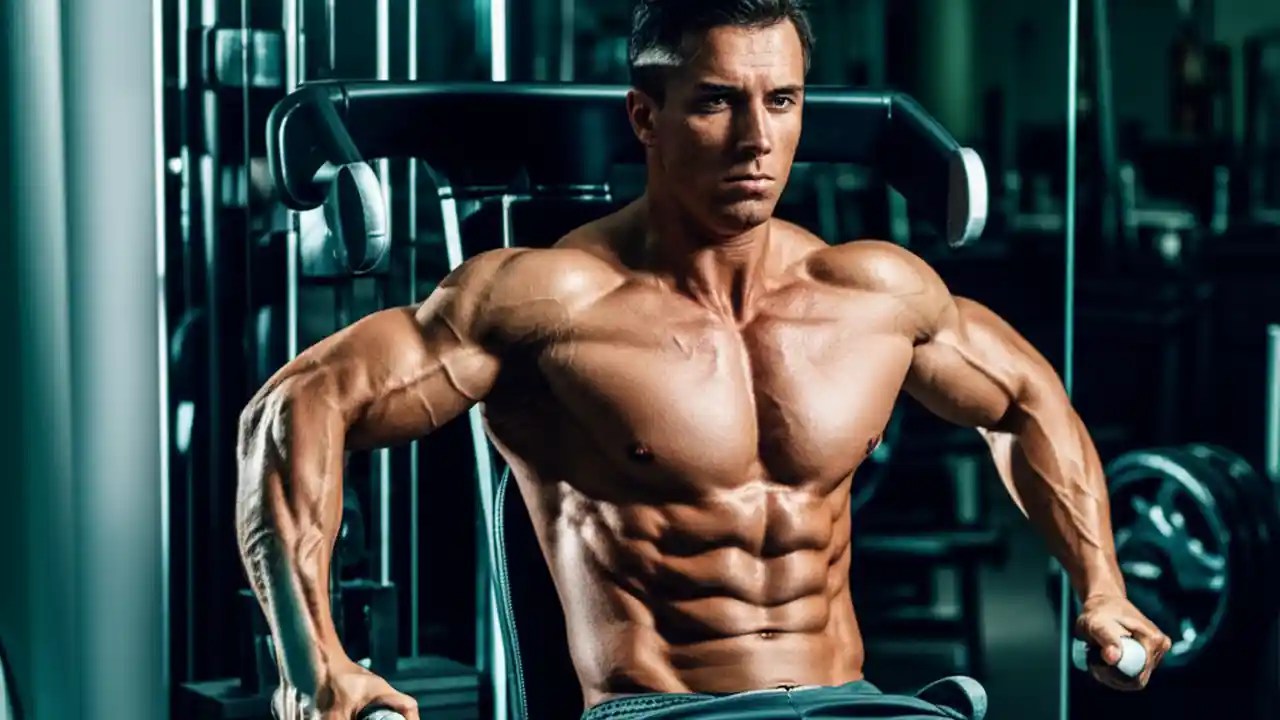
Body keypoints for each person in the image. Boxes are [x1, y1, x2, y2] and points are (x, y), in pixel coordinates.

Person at [235, 1, 1173, 718]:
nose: (759, 140)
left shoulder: (873, 294)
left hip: (852, 706)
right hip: (668, 711)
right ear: (647, 117)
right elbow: (298, 409)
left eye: (783, 101)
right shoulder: (550, 304)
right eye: (719, 103)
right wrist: (313, 661)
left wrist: (1102, 587)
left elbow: (1022, 398)